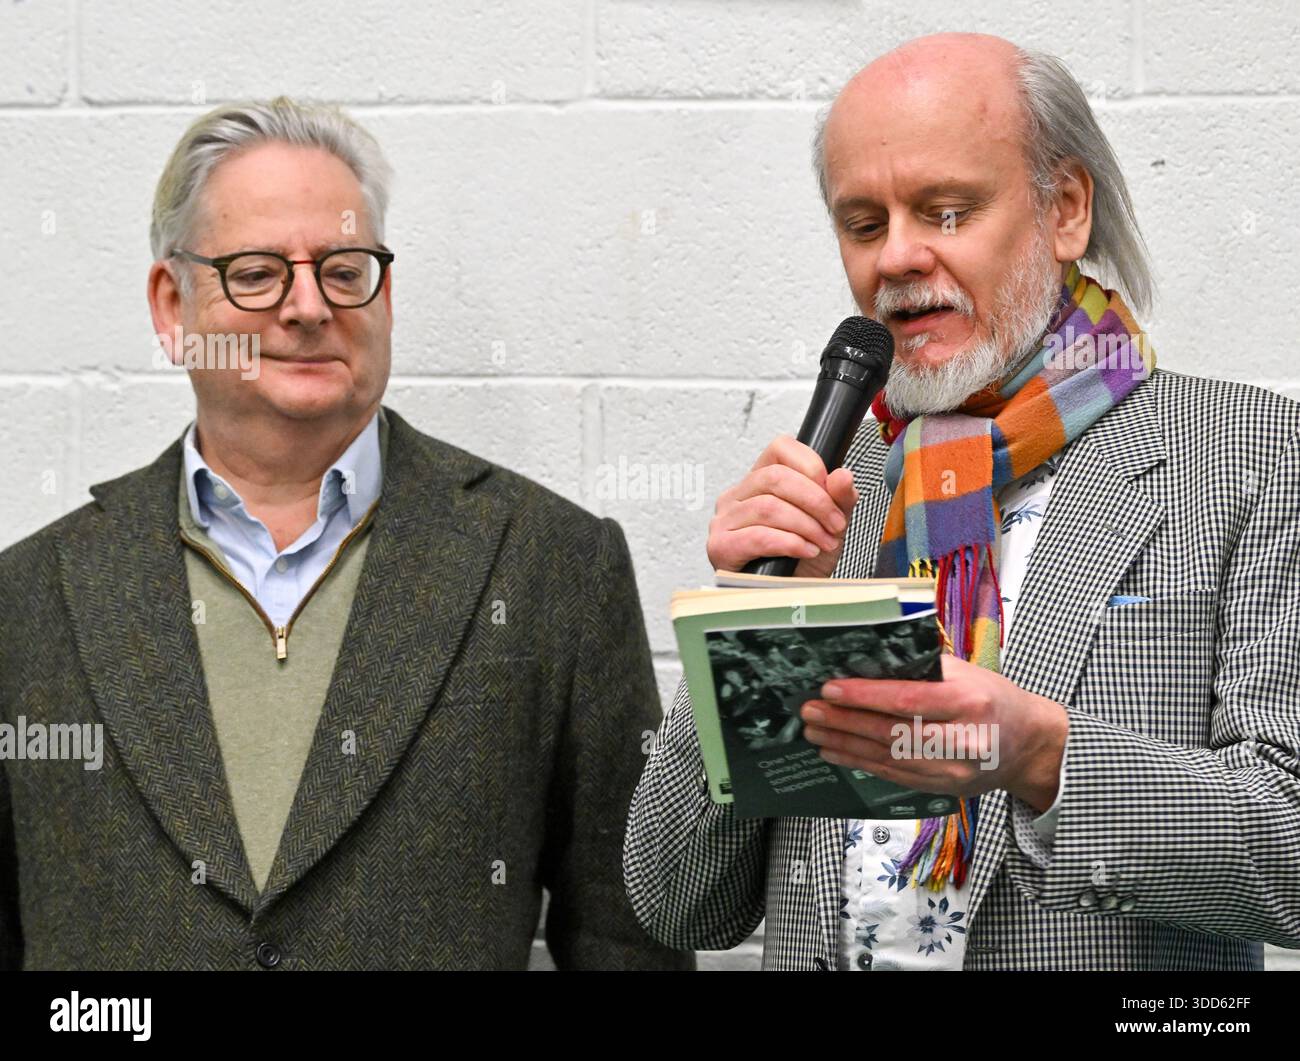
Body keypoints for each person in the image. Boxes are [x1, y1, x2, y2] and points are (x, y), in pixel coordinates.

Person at [624, 33, 1300, 971]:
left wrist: (1044, 758)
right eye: (864, 223)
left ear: (1064, 210)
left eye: (946, 211)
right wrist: (757, 623)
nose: (897, 256)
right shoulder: (842, 478)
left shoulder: (1244, 456)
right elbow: (679, 902)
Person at [0, 96, 693, 972]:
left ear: (386, 291)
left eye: (343, 267)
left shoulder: (554, 564)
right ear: (171, 306)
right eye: (255, 272)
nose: (307, 307)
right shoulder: (26, 600)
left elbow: (628, 939)